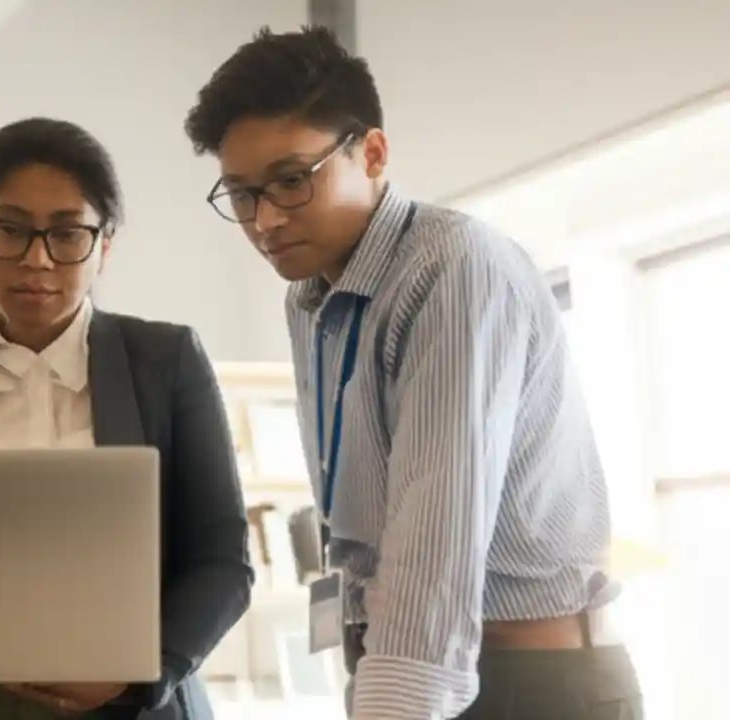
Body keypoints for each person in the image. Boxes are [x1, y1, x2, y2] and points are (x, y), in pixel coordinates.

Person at [183, 26, 643, 720]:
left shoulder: (453, 268)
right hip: (403, 660)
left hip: (527, 682)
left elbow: (435, 540)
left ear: (372, 153)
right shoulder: (309, 298)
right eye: (242, 194)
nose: (265, 219)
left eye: (292, 181)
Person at [0, 117, 252, 720]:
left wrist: (138, 672)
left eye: (68, 234)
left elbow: (221, 561)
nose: (37, 260)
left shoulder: (167, 360)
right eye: (10, 230)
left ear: (105, 244)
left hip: (132, 701)